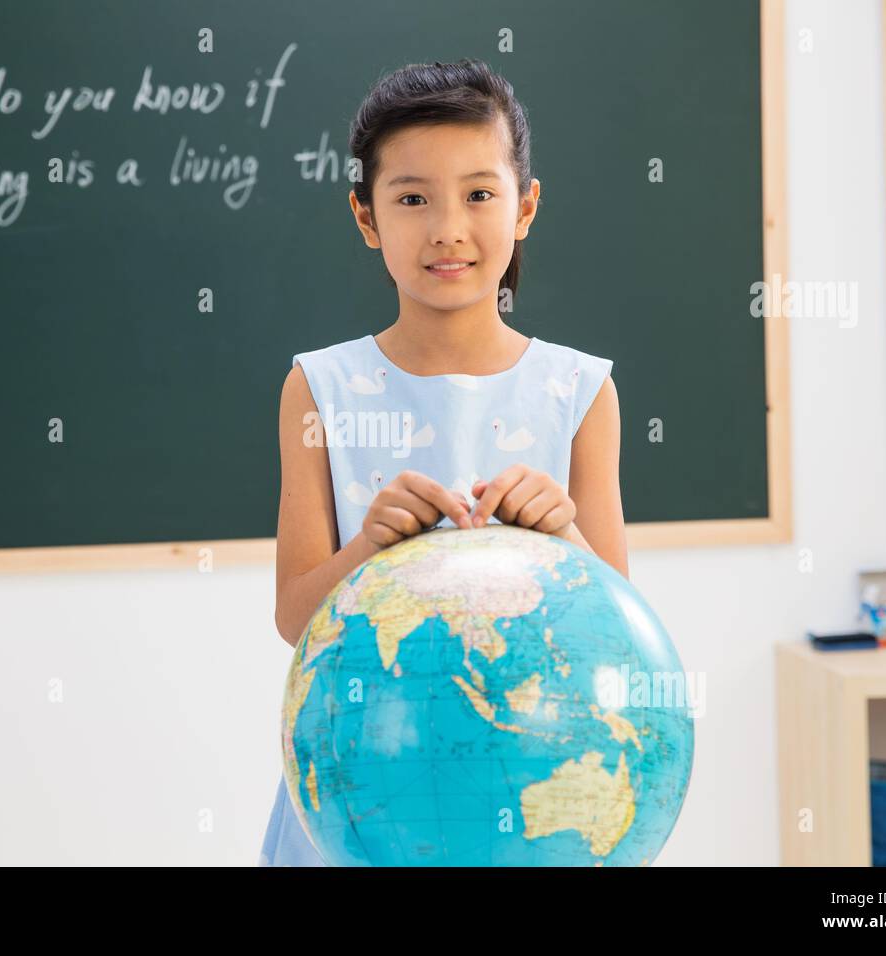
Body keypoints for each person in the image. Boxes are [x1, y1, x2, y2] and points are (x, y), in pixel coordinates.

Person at [259, 58, 627, 866]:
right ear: (365, 216)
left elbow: (617, 625)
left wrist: (563, 534)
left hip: (528, 796)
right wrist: (369, 547)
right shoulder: (318, 389)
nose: (448, 228)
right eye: (412, 198)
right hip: (362, 791)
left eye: (480, 194)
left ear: (525, 207)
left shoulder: (579, 391)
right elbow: (295, 616)